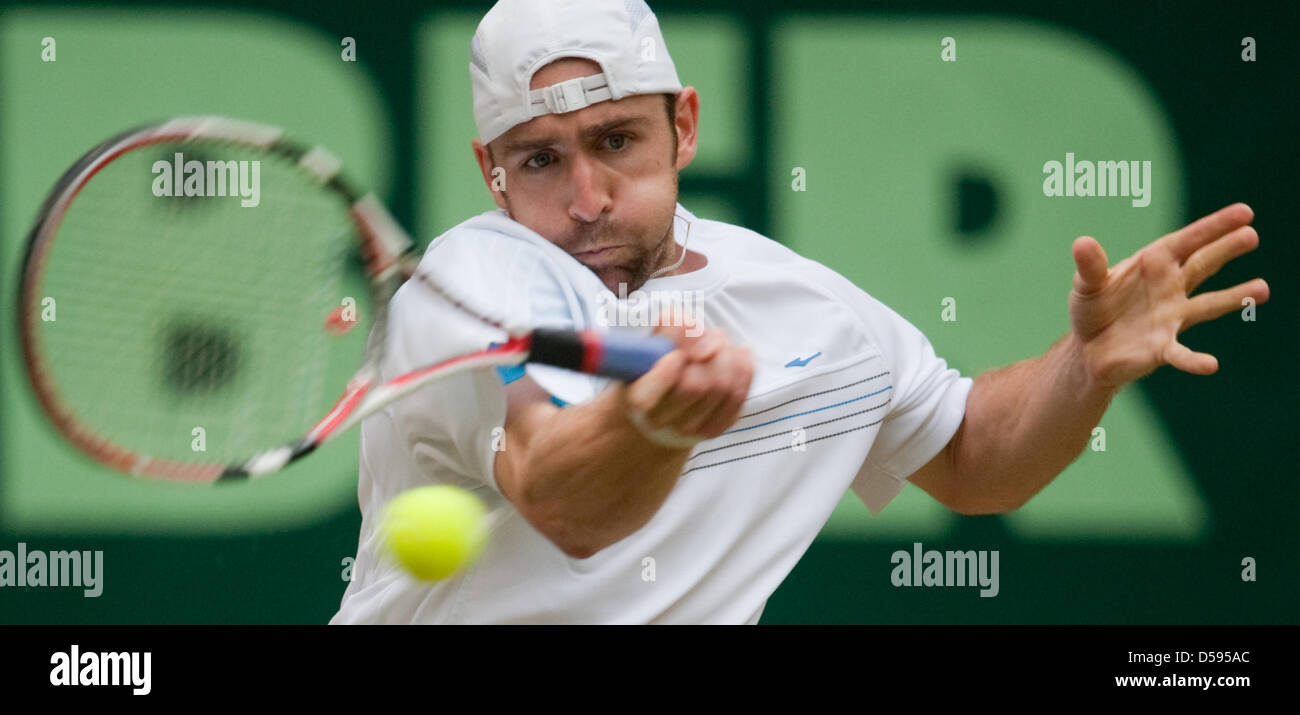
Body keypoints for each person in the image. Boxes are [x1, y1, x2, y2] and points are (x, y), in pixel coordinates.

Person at [331, 0, 1268, 624]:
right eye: (539, 159)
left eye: (617, 140)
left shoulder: (799, 304)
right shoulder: (470, 285)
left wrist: (1083, 363)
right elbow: (562, 498)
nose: (585, 197)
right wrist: (655, 421)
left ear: (685, 126)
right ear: (491, 173)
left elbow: (975, 456)